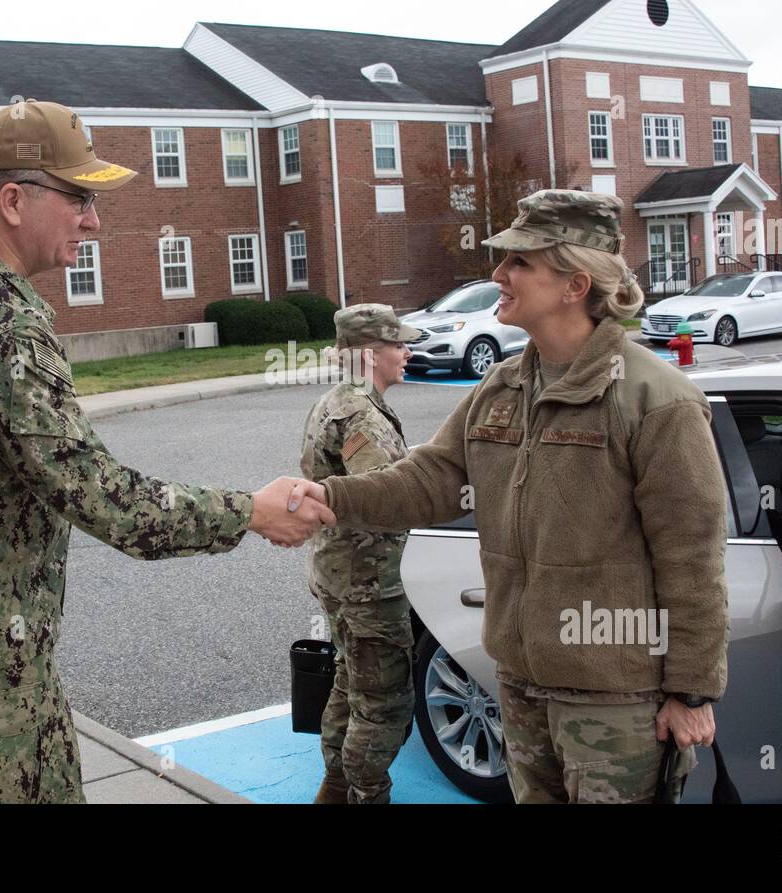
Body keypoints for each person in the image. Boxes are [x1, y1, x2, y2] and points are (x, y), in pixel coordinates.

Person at [0, 99, 333, 803]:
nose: (94, 219)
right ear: (13, 200)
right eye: (79, 197)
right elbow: (103, 497)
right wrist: (250, 512)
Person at [302, 190, 729, 804]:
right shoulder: (502, 386)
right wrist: (324, 497)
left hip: (615, 699)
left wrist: (691, 693)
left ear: (574, 284)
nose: (498, 275)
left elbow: (692, 557)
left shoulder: (654, 399)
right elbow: (432, 479)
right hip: (521, 685)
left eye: (519, 262)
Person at [300, 304, 421, 804]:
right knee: (385, 703)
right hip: (370, 581)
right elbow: (386, 497)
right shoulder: (361, 416)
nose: (408, 352)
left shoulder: (338, 400)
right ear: (371, 355)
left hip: (341, 572)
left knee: (350, 685)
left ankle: (335, 787)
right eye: (399, 345)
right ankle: (366, 795)